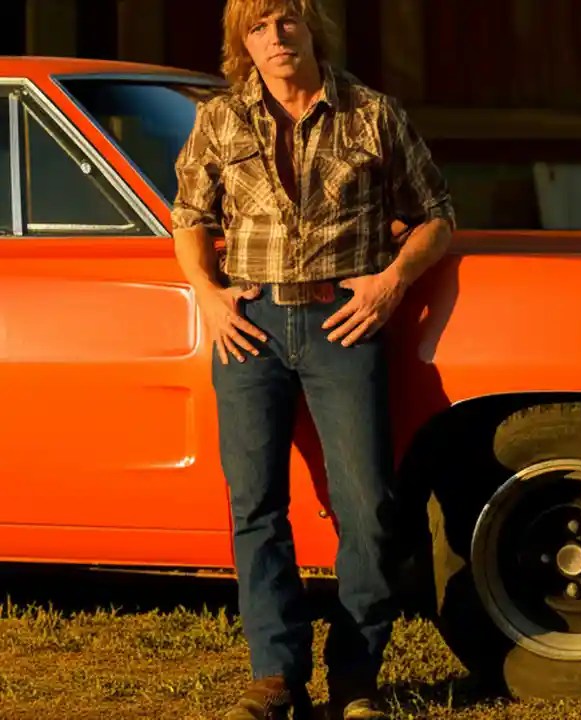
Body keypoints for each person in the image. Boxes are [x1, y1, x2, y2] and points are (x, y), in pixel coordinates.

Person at [171, 0, 455, 717]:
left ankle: (356, 679)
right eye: (258, 26)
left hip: (343, 322)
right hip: (249, 323)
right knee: (255, 504)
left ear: (312, 28)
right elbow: (189, 219)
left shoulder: (373, 114)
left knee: (367, 507)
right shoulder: (220, 119)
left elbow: (436, 215)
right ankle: (276, 676)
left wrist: (393, 283)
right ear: (243, 40)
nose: (275, 37)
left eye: (286, 21)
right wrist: (207, 293)